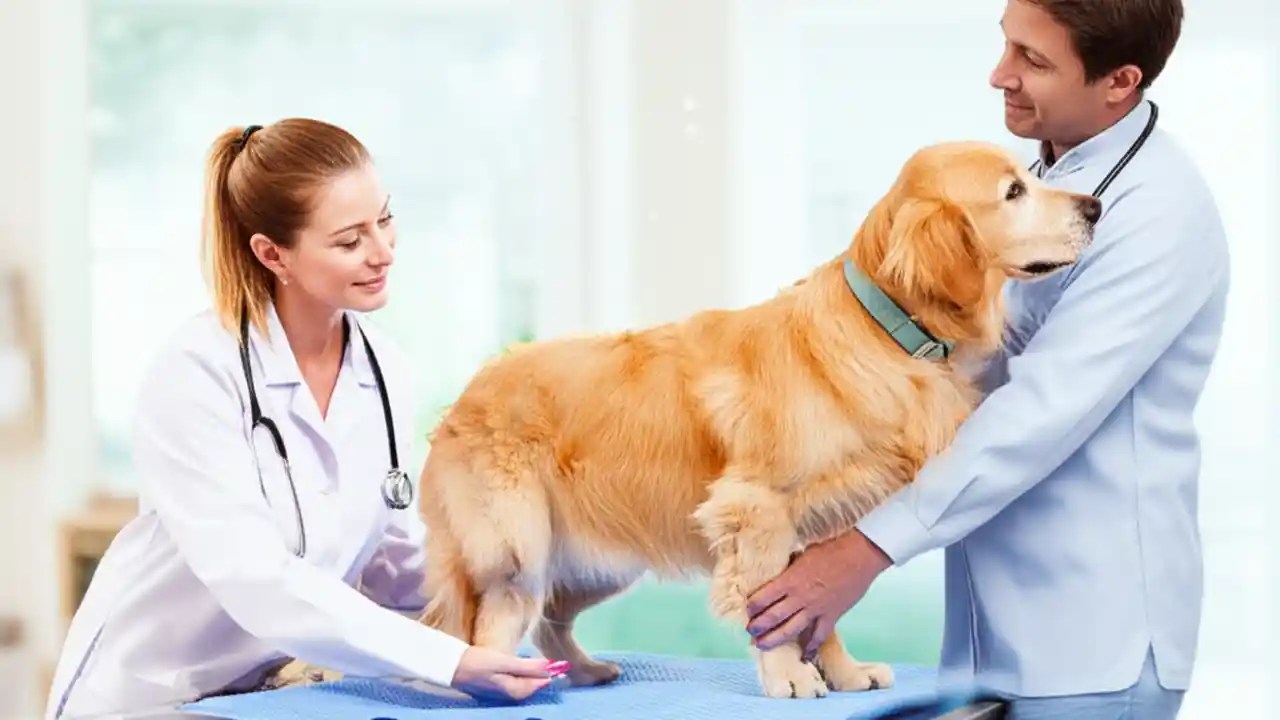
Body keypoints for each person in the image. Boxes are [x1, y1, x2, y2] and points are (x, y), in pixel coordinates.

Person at [743, 1, 1228, 718]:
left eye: (1034, 61)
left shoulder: (1158, 213)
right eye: (1007, 46)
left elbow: (1036, 415)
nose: (1000, 75)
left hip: (1091, 645)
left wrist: (860, 551)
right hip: (990, 636)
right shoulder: (1035, 181)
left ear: (1120, 81)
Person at [45, 119, 566, 719]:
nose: (383, 251)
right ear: (272, 253)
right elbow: (256, 580)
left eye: (385, 220)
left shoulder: (384, 369)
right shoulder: (197, 373)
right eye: (350, 241)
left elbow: (389, 557)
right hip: (150, 694)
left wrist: (506, 574)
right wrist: (445, 660)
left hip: (265, 694)